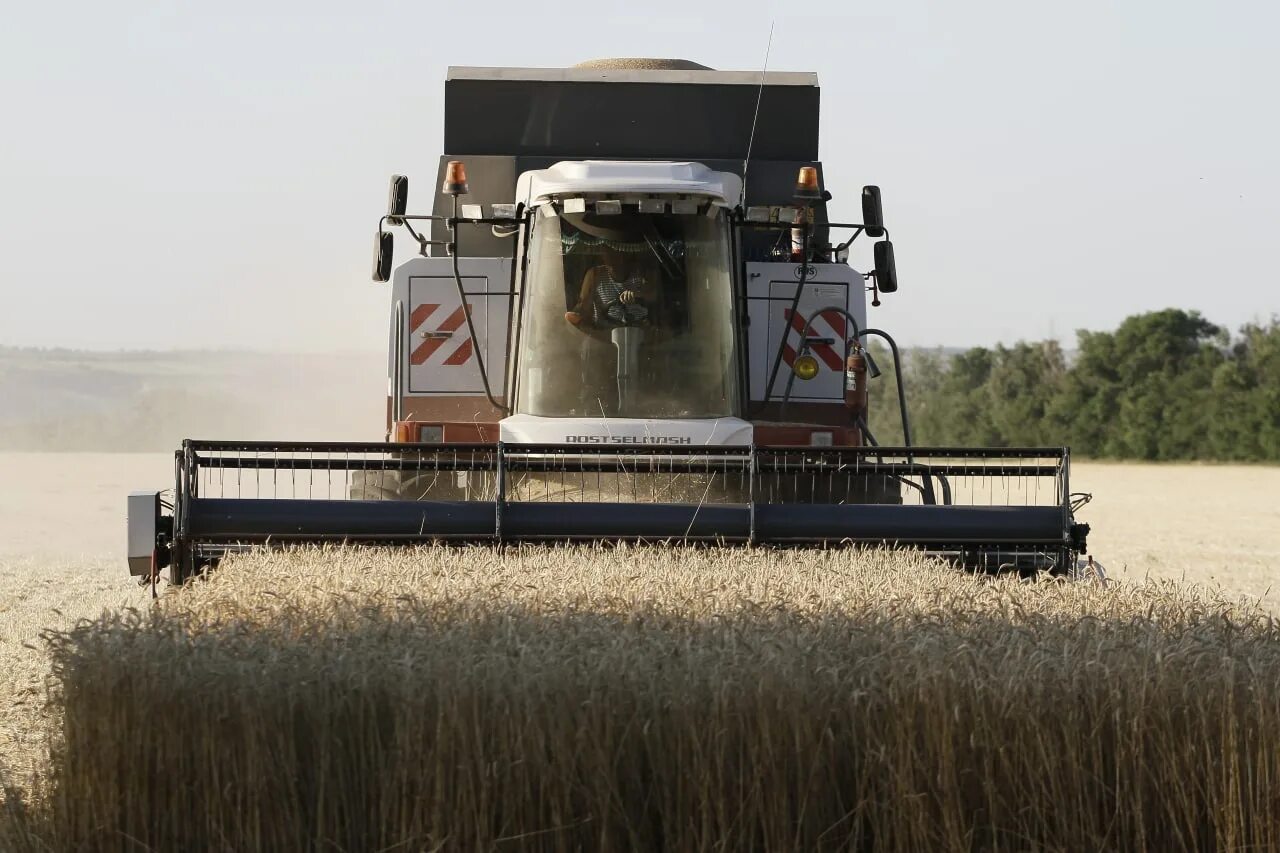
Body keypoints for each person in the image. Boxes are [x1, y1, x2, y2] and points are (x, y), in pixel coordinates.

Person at [565, 243, 657, 328]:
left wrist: (636, 295)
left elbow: (653, 296)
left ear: (627, 251)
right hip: (605, 337)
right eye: (608, 250)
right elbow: (583, 307)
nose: (615, 255)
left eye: (618, 250)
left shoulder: (640, 272)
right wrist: (576, 315)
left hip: (639, 334)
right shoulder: (594, 275)